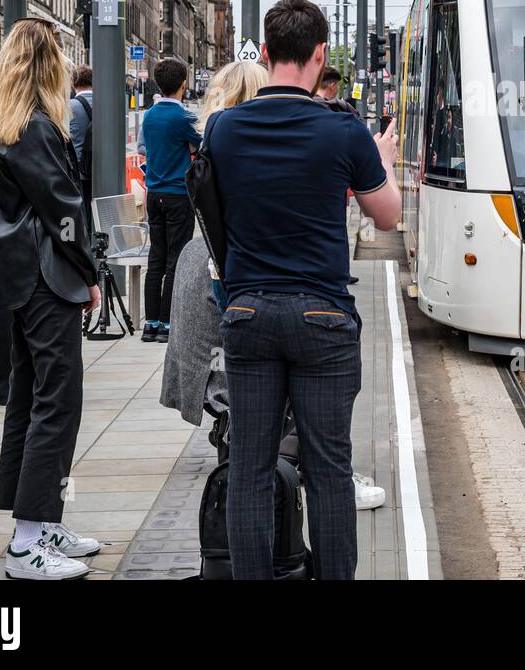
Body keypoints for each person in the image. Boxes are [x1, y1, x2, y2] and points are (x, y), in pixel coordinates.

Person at [205, 0, 399, 579]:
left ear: (265, 55)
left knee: (250, 470)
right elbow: (386, 216)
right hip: (323, 318)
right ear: (320, 55)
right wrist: (380, 162)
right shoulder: (343, 128)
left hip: (247, 313)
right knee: (328, 472)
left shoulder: (223, 128)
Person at [161, 60, 386, 512]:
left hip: (237, 321)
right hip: (263, 317)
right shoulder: (291, 139)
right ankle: (313, 473)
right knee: (318, 395)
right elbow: (386, 214)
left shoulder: (220, 143)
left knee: (251, 468)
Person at [0, 18, 101, 580]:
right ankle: (27, 542)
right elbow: (64, 210)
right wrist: (91, 271)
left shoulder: (2, 125)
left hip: (17, 279)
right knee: (58, 401)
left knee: (28, 398)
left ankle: (37, 522)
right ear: (49, 66)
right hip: (46, 278)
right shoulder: (36, 128)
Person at [141, 58, 202, 343]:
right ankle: (167, 323)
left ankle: (149, 323)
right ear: (183, 84)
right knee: (175, 260)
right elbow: (201, 144)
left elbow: (145, 147)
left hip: (153, 194)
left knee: (156, 259)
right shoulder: (183, 118)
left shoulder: (150, 115)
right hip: (178, 195)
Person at [68, 66, 94, 215]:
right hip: (104, 170)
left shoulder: (70, 106)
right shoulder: (108, 105)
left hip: (79, 170)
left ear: (73, 84)